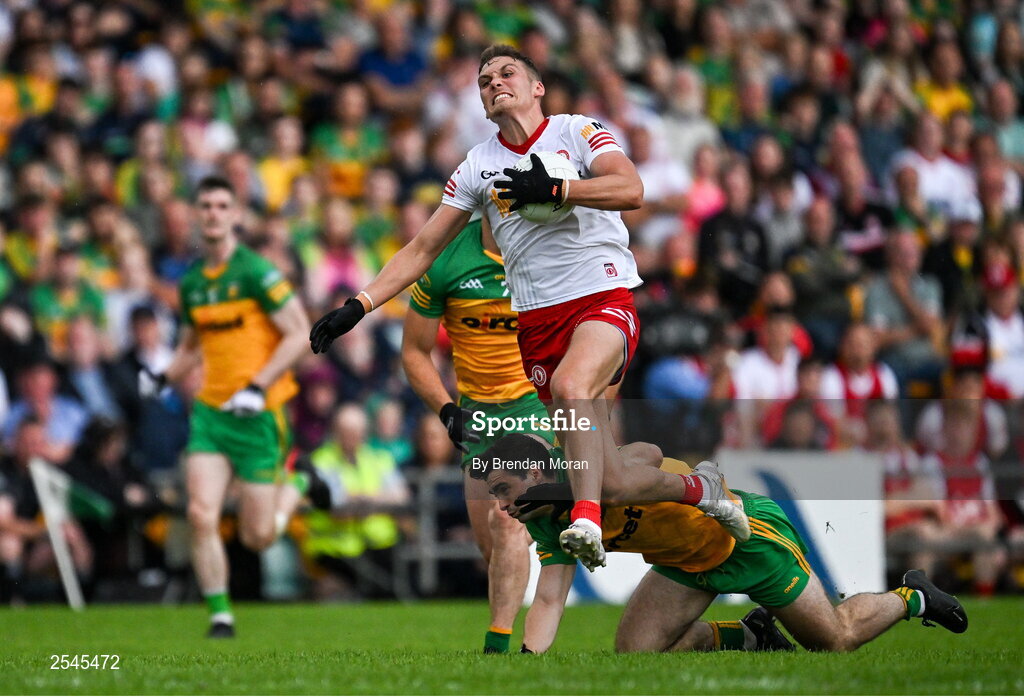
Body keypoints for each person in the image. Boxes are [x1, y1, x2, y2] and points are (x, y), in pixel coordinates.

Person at [310, 44, 749, 573]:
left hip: (602, 297)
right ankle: (702, 487)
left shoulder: (576, 131)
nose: (494, 83)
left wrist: (561, 188)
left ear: (537, 87)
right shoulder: (478, 166)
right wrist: (358, 305)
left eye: (506, 73)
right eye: (484, 80)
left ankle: (583, 521)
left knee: (571, 388)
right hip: (539, 324)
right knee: (610, 479)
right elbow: (423, 248)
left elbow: (631, 188)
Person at [474, 434, 968, 654]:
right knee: (636, 652)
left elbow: (648, 453)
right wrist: (527, 667)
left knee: (834, 640)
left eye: (502, 489)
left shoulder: (584, 470)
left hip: (743, 537)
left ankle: (912, 596)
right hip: (681, 564)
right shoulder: (541, 520)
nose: (499, 504)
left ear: (534, 473)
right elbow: (548, 597)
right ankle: (753, 636)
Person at [138, 176, 312, 638]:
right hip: (213, 413)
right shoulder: (193, 283)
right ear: (196, 215)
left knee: (258, 536)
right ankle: (220, 614)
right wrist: (162, 375)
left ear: (235, 215)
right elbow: (190, 348)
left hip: (259, 416)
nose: (213, 213)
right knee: (200, 513)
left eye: (221, 205)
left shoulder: (256, 271)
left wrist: (257, 385)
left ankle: (296, 486)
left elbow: (300, 333)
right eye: (205, 205)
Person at [401, 216, 551, 653]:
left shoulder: (551, 250)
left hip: (535, 407)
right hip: (479, 420)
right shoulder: (446, 259)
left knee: (505, 518)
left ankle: (497, 650)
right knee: (492, 548)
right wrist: (447, 410)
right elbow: (413, 351)